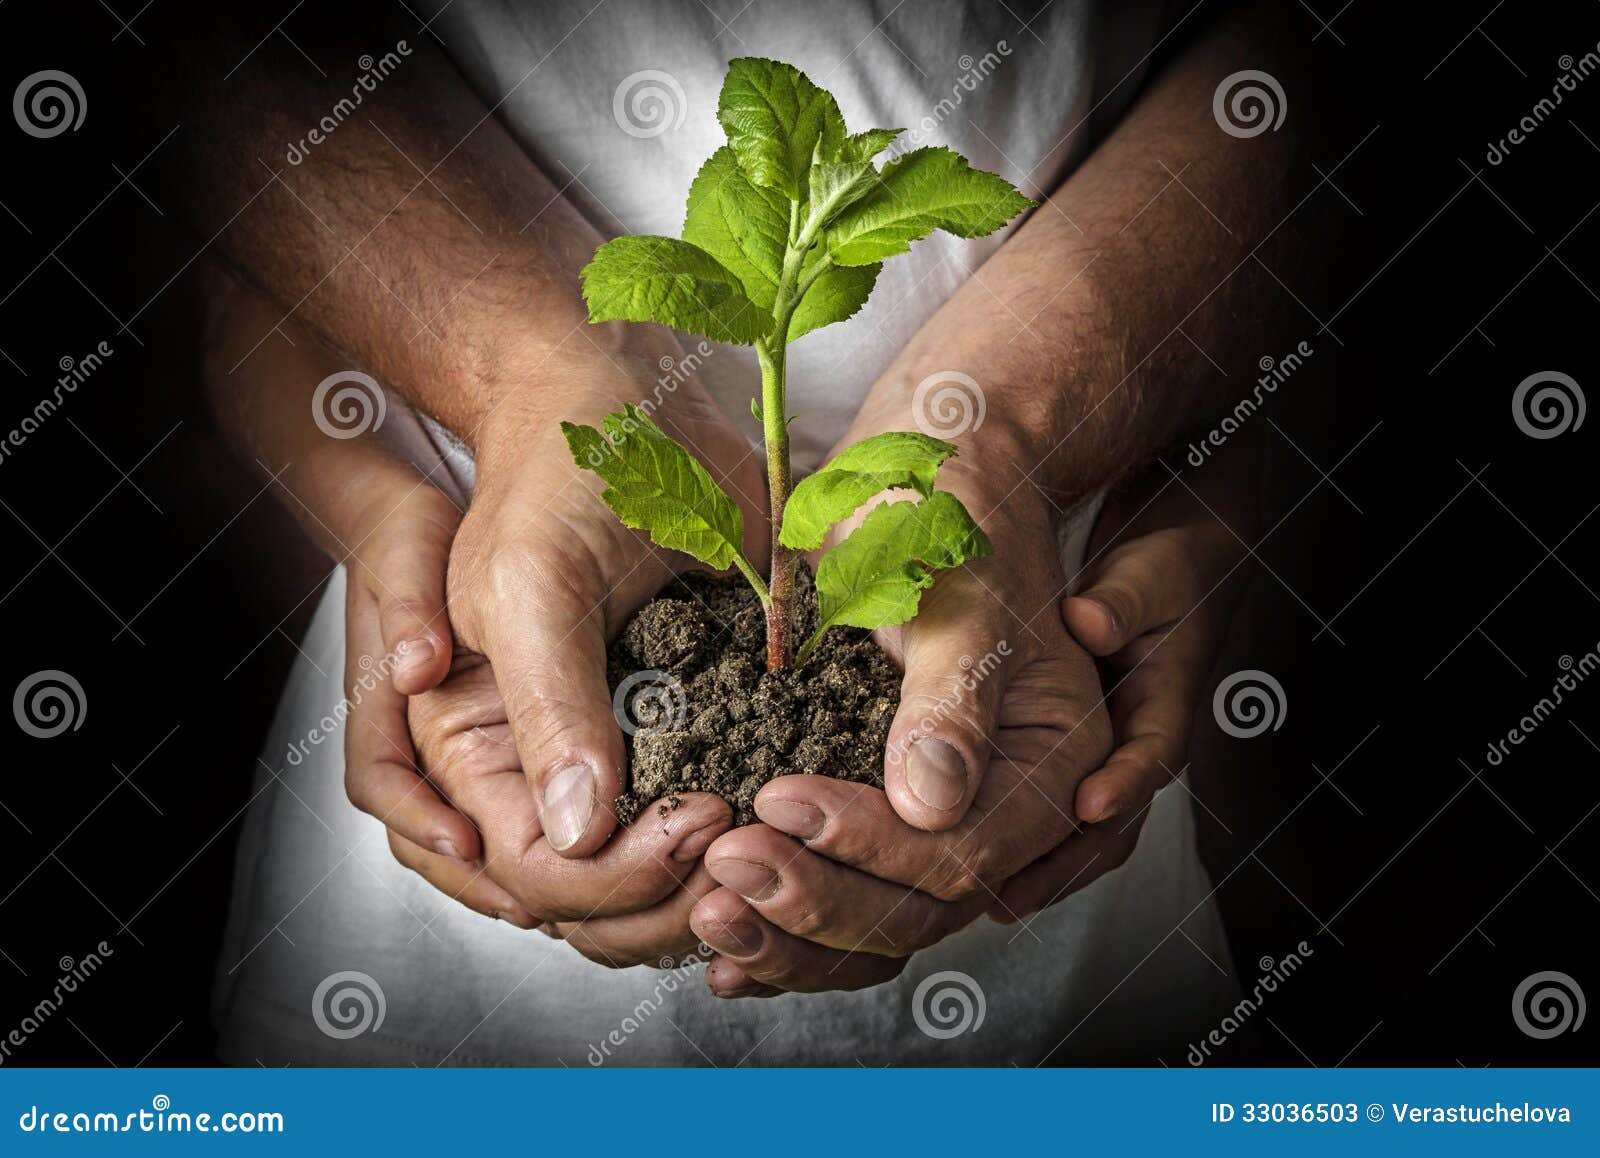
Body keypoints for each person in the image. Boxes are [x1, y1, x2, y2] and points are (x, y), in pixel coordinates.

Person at [186, 0, 1311, 1062]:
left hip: (1016, 661)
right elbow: (208, 83)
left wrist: (1038, 440)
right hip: (449, 903)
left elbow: (1317, 60)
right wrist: (411, 491)